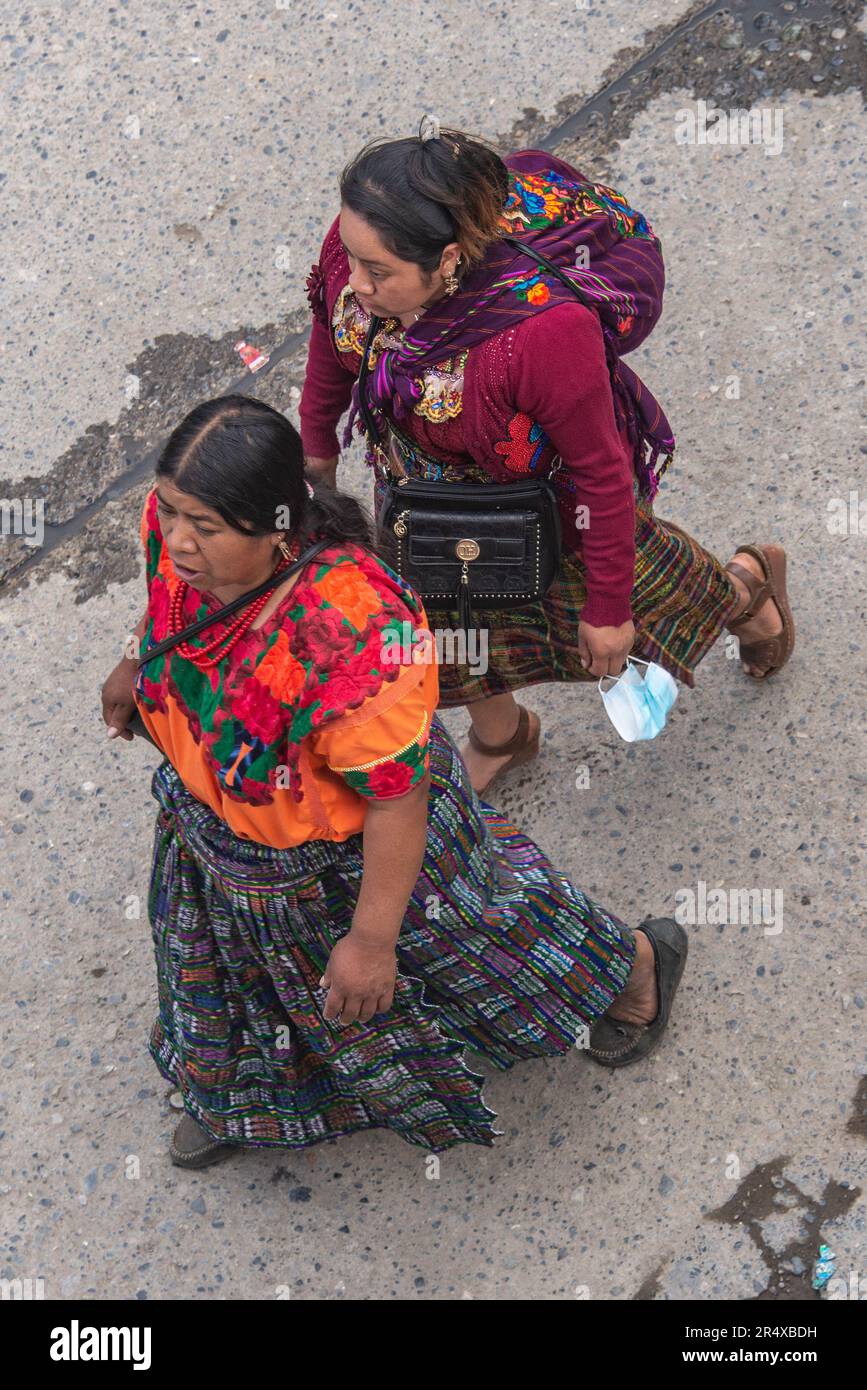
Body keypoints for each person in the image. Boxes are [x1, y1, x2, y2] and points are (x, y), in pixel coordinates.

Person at [100, 394, 687, 1167]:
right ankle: (238, 1100)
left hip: (352, 844)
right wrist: (135, 664)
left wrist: (371, 941)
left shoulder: (350, 634)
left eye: (204, 527)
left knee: (478, 934)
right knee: (218, 970)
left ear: (277, 527)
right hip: (224, 831)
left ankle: (633, 967)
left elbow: (395, 799)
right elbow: (164, 604)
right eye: (171, 511)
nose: (176, 539)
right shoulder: (173, 529)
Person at [300, 124, 795, 794]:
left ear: (447, 261)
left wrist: (608, 607)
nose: (353, 280)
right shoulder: (356, 248)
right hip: (419, 499)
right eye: (351, 257)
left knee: (649, 605)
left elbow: (599, 472)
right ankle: (503, 738)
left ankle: (745, 592)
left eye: (377, 272)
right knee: (443, 632)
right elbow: (332, 349)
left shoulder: (541, 334)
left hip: (555, 513)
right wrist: (317, 446)